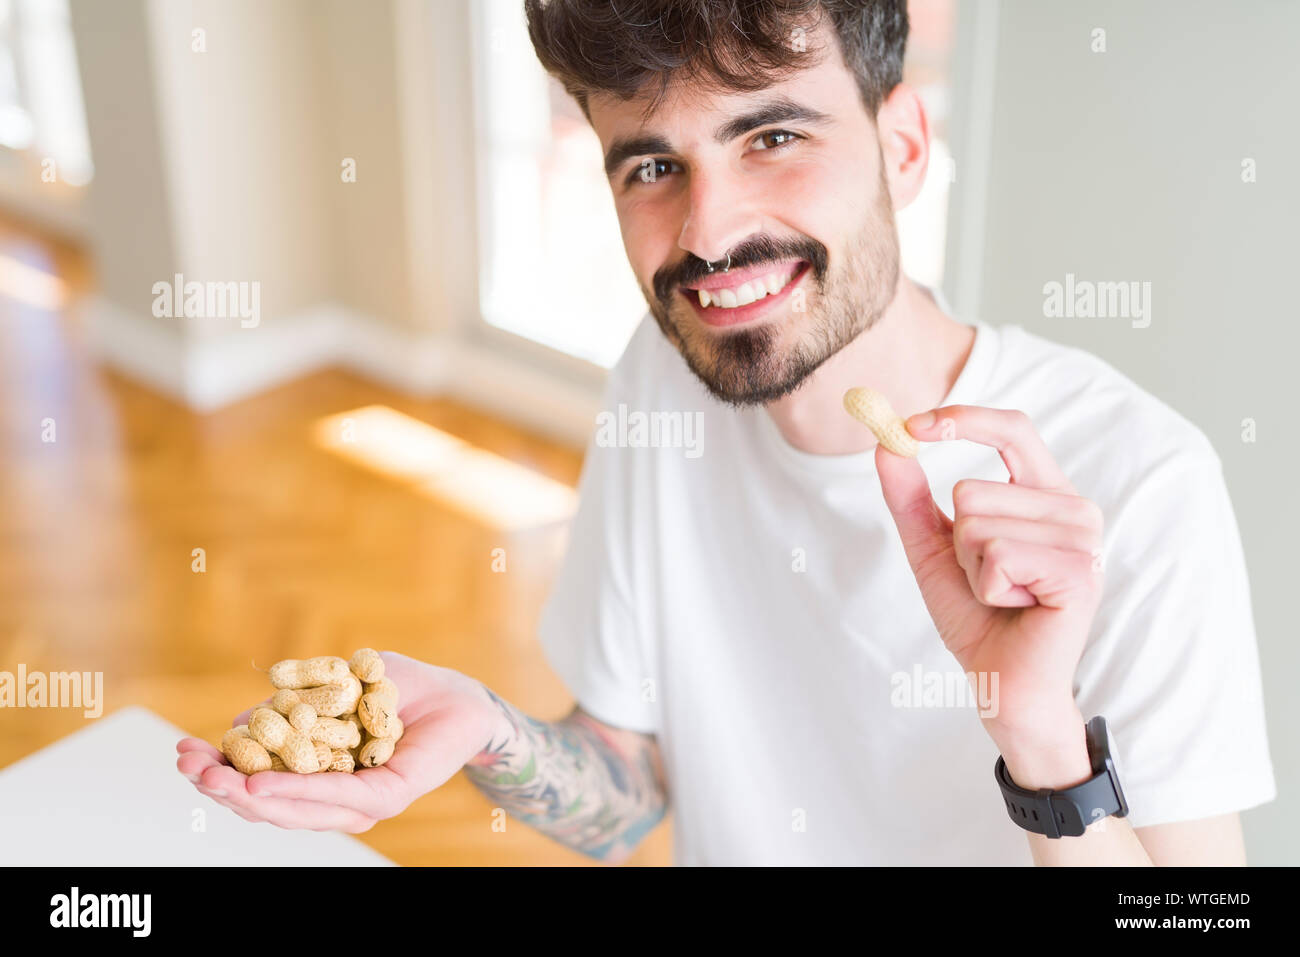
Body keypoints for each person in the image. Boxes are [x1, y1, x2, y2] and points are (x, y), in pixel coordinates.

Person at [177, 0, 1275, 865]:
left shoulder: (1137, 484)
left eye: (773, 135)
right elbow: (622, 806)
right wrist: (485, 729)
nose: (707, 233)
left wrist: (1040, 738)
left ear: (902, 147)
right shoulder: (661, 383)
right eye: (653, 166)